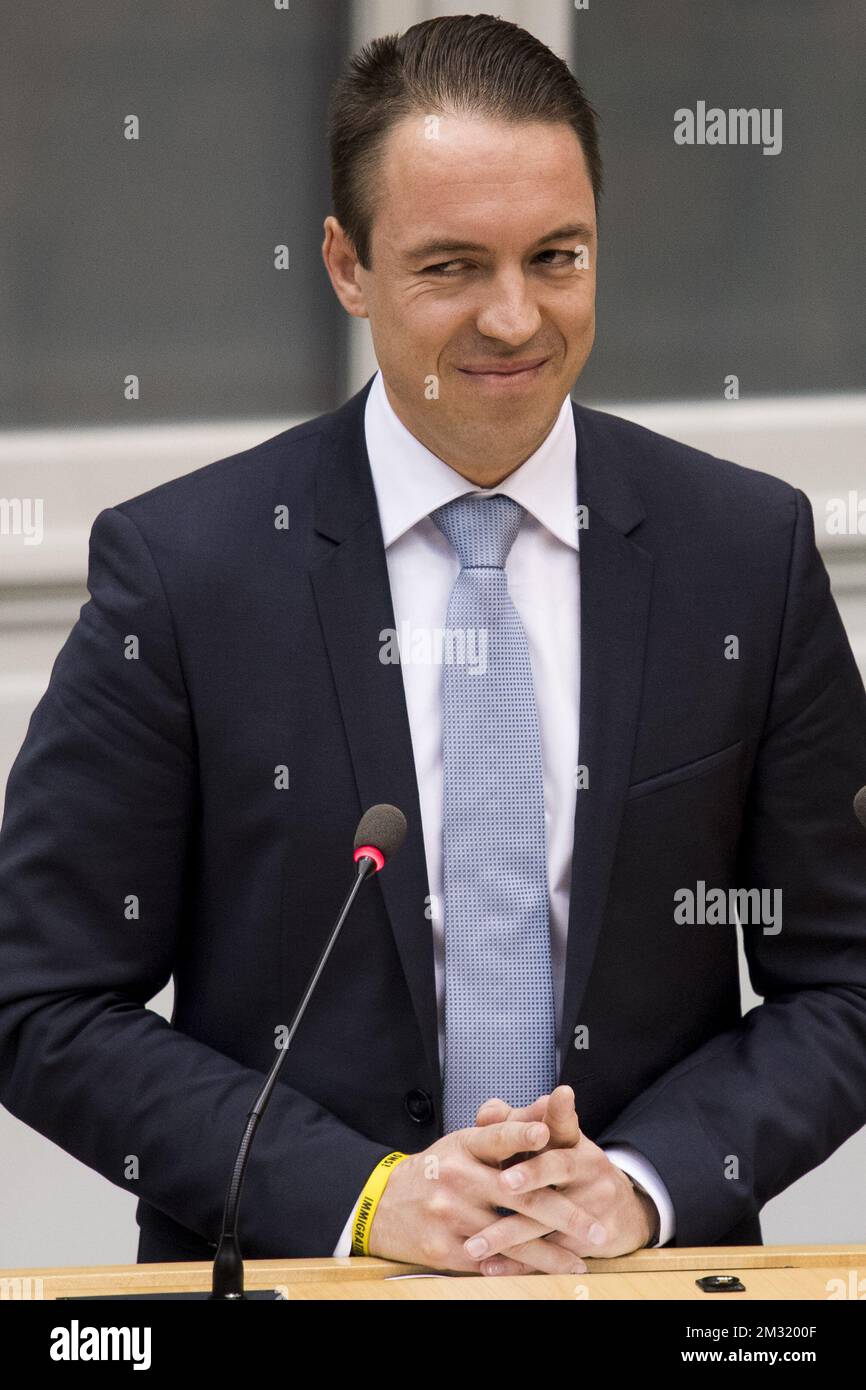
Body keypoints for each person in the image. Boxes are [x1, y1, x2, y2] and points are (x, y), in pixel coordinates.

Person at [1, 14, 865, 1279]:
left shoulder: (745, 550)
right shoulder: (186, 573)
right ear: (345, 267)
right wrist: (362, 1196)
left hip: (642, 1288)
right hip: (308, 1280)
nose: (514, 319)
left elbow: (842, 976)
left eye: (555, 257)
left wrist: (637, 1182)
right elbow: (40, 999)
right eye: (452, 266)